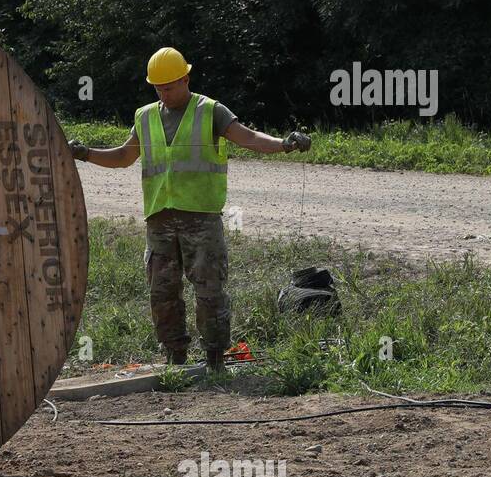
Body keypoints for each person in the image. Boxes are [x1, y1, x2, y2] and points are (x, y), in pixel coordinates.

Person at [68, 47, 312, 371]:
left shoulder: (210, 111)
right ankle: (175, 359)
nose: (163, 93)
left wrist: (284, 144)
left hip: (201, 219)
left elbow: (248, 137)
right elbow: (125, 157)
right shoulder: (145, 116)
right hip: (159, 220)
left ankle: (214, 362)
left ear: (185, 78)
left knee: (209, 291)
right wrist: (87, 153)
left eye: (169, 86)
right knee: (162, 294)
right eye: (158, 87)